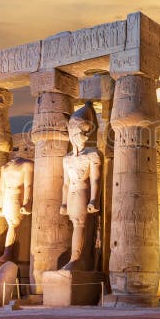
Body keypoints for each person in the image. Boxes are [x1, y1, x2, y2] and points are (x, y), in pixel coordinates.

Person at [60, 101, 102, 271]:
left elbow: (95, 180)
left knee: (79, 223)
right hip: (71, 192)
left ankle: (75, 259)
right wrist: (63, 202)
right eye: (81, 132)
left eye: (87, 132)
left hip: (82, 191)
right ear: (72, 133)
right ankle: (76, 258)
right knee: (74, 222)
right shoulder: (67, 158)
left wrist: (94, 199)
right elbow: (65, 183)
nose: (85, 136)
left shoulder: (93, 155)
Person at [0, 157, 33, 262]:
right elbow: (28, 186)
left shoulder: (5, 167)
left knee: (13, 225)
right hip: (12, 198)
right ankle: (7, 254)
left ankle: (7, 254)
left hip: (10, 197)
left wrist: (0, 206)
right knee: (13, 225)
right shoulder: (26, 165)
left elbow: (2, 190)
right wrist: (26, 204)